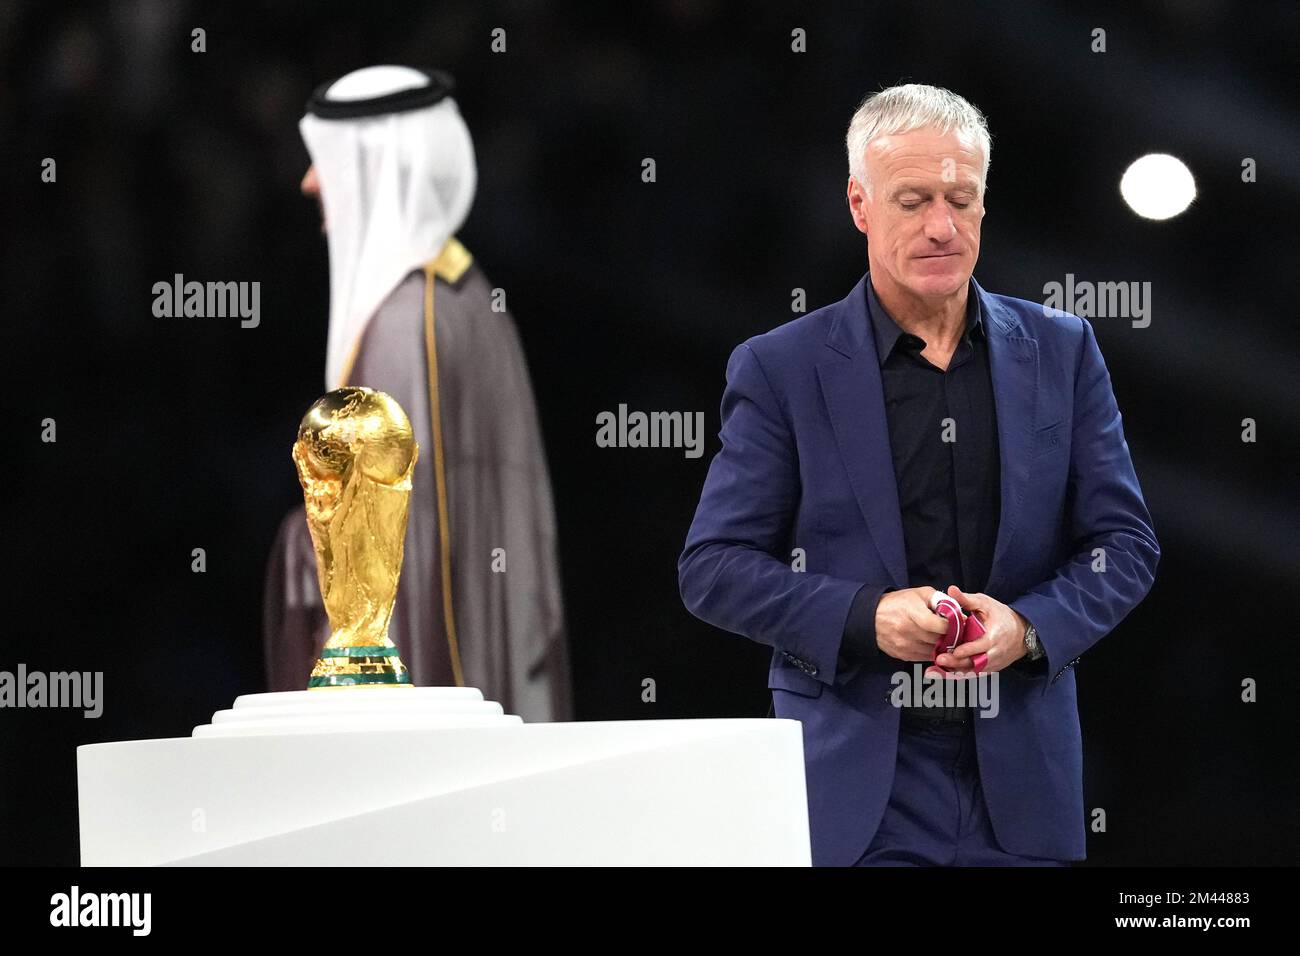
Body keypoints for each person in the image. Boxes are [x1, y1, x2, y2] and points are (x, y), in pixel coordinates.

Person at [678, 83, 1159, 866]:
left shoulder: (1063, 351)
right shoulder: (781, 368)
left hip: (1023, 787)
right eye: (912, 201)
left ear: (983, 203)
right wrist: (867, 617)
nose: (942, 226)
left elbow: (1125, 545)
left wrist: (1028, 628)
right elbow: (713, 570)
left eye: (960, 200)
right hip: (855, 787)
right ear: (859, 204)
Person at [264, 66, 573, 723]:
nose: (309, 182)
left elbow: (407, 554)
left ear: (375, 167)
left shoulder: (414, 323)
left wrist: (303, 539)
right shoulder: (461, 295)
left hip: (431, 701)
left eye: (324, 162)